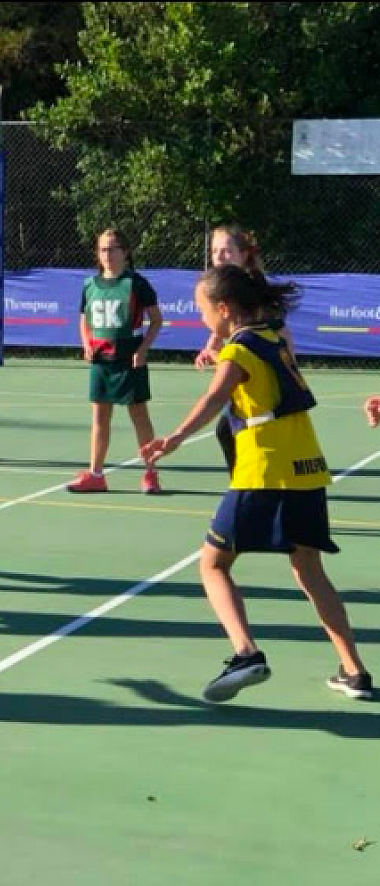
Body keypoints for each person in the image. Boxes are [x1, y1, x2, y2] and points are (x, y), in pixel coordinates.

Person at [142, 264, 373, 702]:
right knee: (309, 568)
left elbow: (215, 397)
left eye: (202, 309)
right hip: (307, 467)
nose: (200, 318)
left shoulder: (238, 350)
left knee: (212, 564)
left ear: (224, 309)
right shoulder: (271, 338)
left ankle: (246, 653)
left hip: (265, 470)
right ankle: (354, 671)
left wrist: (173, 437)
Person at [194, 225, 297, 475]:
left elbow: (256, 340)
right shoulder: (226, 290)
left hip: (269, 372)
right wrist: (209, 349)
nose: (219, 256)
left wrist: (220, 356)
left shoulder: (251, 292)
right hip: (255, 371)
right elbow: (224, 329)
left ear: (243, 255)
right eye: (215, 251)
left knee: (233, 428)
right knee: (229, 430)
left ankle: (248, 484)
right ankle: (246, 482)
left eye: (226, 251)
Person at [67, 228, 164, 494]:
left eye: (112, 249)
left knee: (139, 417)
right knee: (99, 417)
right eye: (102, 249)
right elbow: (84, 319)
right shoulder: (89, 285)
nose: (107, 255)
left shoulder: (136, 284)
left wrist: (143, 349)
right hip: (101, 361)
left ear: (125, 252)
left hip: (128, 359)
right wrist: (86, 343)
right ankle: (96, 474)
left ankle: (151, 473)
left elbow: (156, 320)